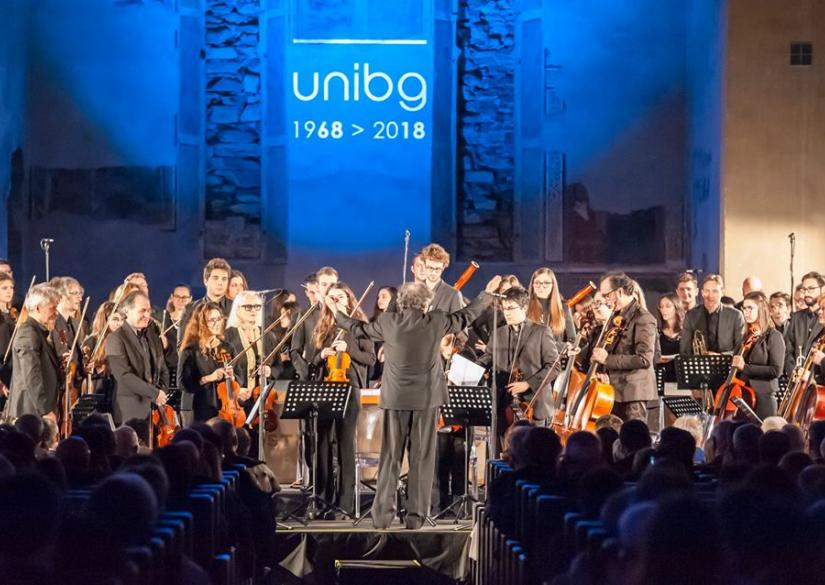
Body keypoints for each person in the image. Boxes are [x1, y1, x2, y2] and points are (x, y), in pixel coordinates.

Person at [327, 275, 501, 529]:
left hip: (396, 397)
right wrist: (486, 293)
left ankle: (383, 516)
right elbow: (466, 315)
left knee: (390, 457)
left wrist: (337, 311)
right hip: (426, 398)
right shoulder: (436, 320)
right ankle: (415, 517)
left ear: (402, 302)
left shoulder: (388, 321)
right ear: (426, 304)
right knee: (421, 457)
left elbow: (358, 328)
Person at [310, 282, 375, 515]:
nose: (336, 300)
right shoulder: (322, 326)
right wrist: (321, 355)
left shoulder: (360, 326)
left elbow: (370, 359)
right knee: (323, 444)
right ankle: (322, 500)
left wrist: (348, 349)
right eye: (332, 297)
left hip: (351, 388)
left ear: (349, 299)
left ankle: (345, 503)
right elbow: (311, 361)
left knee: (346, 444)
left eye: (340, 297)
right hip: (325, 388)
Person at [478, 286, 560, 430]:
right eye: (504, 308)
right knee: (504, 449)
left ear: (524, 307)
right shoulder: (498, 333)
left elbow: (554, 366)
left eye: (511, 308)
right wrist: (467, 369)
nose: (506, 313)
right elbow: (488, 357)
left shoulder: (541, 332)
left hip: (534, 405)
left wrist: (528, 384)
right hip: (504, 402)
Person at [591, 272, 657, 421]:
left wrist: (607, 360)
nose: (605, 301)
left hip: (633, 394)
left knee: (633, 440)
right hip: (614, 391)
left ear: (619, 292)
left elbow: (644, 359)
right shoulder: (615, 317)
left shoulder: (644, 318)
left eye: (607, 295)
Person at [105, 291, 169, 426]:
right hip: (130, 410)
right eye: (142, 311)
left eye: (149, 311)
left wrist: (162, 392)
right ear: (127, 311)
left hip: (155, 408)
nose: (147, 315)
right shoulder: (115, 338)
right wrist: (154, 393)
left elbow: (162, 367)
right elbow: (123, 375)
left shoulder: (152, 335)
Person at [6, 284, 61, 420]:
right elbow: (31, 374)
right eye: (52, 308)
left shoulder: (38, 332)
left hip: (36, 410)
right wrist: (45, 411)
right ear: (38, 308)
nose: (56, 313)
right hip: (31, 412)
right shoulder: (28, 332)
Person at [224, 290, 279, 419]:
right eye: (248, 307)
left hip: (262, 399)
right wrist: (236, 390)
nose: (253, 310)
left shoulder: (268, 335)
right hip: (237, 400)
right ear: (238, 309)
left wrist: (270, 370)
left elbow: (279, 366)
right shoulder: (228, 336)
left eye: (257, 307)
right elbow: (223, 369)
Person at [731, 292, 785, 419]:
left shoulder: (774, 336)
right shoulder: (745, 337)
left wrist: (745, 367)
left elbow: (776, 370)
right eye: (744, 308)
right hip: (743, 395)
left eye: (750, 308)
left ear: (761, 310)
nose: (746, 312)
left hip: (763, 398)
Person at [178, 302, 232, 424]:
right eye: (211, 320)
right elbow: (182, 383)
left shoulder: (227, 347)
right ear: (201, 323)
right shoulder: (190, 350)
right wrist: (208, 378)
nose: (217, 323)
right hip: (196, 407)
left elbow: (239, 376)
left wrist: (232, 377)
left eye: (219, 319)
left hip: (222, 407)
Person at [290, 266, 338, 381]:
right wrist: (307, 372)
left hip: (341, 375)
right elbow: (295, 351)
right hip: (315, 376)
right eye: (324, 284)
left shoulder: (346, 313)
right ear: (318, 287)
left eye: (332, 284)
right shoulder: (306, 315)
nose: (328, 288)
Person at [680, 274, 745, 356]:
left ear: (722, 292)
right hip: (700, 366)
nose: (710, 296)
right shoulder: (691, 316)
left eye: (715, 291)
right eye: (707, 291)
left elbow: (740, 349)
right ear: (702, 293)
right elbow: (685, 350)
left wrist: (720, 357)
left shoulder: (736, 315)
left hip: (727, 366)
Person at [177, 257, 232, 348]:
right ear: (205, 280)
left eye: (224, 279)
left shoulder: (236, 308)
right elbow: (182, 346)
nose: (220, 283)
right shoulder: (190, 309)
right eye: (215, 278)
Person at [81, 301, 124, 406]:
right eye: (115, 319)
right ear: (104, 320)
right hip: (100, 390)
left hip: (119, 392)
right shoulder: (92, 341)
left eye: (122, 320)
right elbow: (86, 369)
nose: (119, 323)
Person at [783, 271, 824, 377]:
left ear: (822, 289)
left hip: (817, 382)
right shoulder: (796, 317)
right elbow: (788, 350)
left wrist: (810, 375)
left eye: (811, 289)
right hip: (796, 381)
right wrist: (793, 371)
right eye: (804, 289)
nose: (806, 293)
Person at [526, 267, 575, 346]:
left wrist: (548, 346)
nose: (541, 286)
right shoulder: (525, 307)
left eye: (546, 283)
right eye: (537, 283)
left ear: (553, 285)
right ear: (532, 285)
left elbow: (572, 341)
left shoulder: (563, 307)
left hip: (555, 357)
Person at [419, 243, 463, 312]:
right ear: (424, 265)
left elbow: (458, 322)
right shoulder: (415, 292)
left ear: (443, 267)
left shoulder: (453, 295)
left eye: (437, 269)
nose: (433, 272)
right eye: (430, 268)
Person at [656, 293, 684, 383]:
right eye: (661, 307)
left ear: (676, 307)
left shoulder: (686, 332)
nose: (664, 310)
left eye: (668, 306)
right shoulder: (657, 332)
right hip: (663, 379)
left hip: (682, 378)